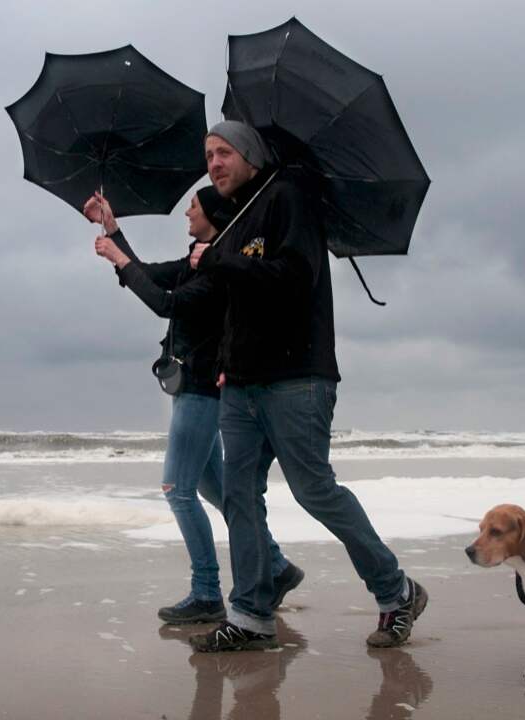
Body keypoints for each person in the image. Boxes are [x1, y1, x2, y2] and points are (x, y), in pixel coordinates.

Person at [187, 121, 427, 652]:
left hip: (297, 378)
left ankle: (397, 591)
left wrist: (222, 261)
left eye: (225, 151)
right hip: (242, 384)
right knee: (240, 496)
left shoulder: (289, 198)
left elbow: (294, 278)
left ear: (251, 155)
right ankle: (250, 616)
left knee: (314, 490)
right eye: (208, 154)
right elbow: (236, 304)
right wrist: (225, 359)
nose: (215, 163)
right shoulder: (239, 218)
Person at [84, 187, 304, 625]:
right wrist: (112, 230)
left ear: (214, 218)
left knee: (176, 490)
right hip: (197, 388)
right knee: (213, 490)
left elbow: (166, 303)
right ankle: (276, 567)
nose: (186, 210)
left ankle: (206, 592)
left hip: (203, 388)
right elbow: (150, 273)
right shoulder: (197, 260)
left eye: (194, 206)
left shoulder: (219, 268)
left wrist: (117, 258)